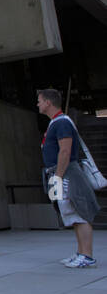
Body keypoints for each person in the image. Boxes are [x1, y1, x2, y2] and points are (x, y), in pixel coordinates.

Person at [37, 89, 99, 267]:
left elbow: (65, 150)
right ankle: (81, 252)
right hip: (62, 172)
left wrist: (58, 176)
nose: (38, 104)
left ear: (48, 102)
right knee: (71, 213)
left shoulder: (62, 123)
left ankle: (87, 255)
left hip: (67, 173)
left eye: (40, 101)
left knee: (79, 212)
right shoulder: (55, 123)